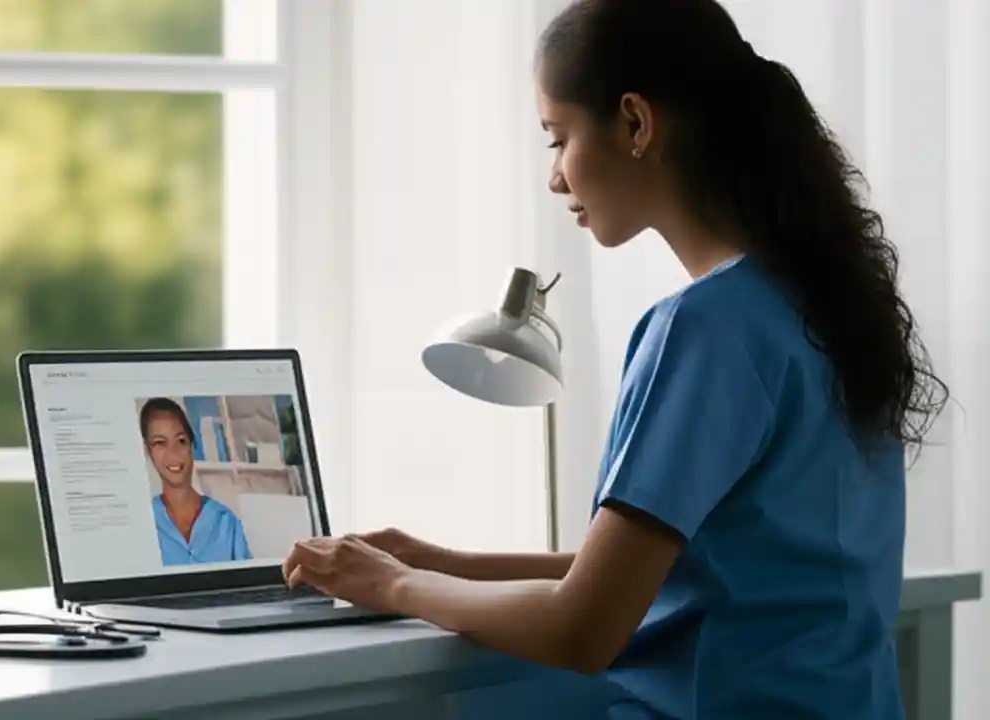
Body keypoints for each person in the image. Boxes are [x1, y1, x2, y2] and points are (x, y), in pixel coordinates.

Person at [281, 1, 949, 718]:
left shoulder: (706, 328)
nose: (556, 178)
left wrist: (391, 587)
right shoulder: (820, 306)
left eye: (557, 138)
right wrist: (441, 561)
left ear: (635, 123)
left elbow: (583, 628)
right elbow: (695, 570)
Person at [139, 397, 252, 565]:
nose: (173, 452)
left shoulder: (226, 522)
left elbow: (248, 585)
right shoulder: (143, 526)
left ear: (192, 446)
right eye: (160, 443)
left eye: (181, 441)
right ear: (148, 451)